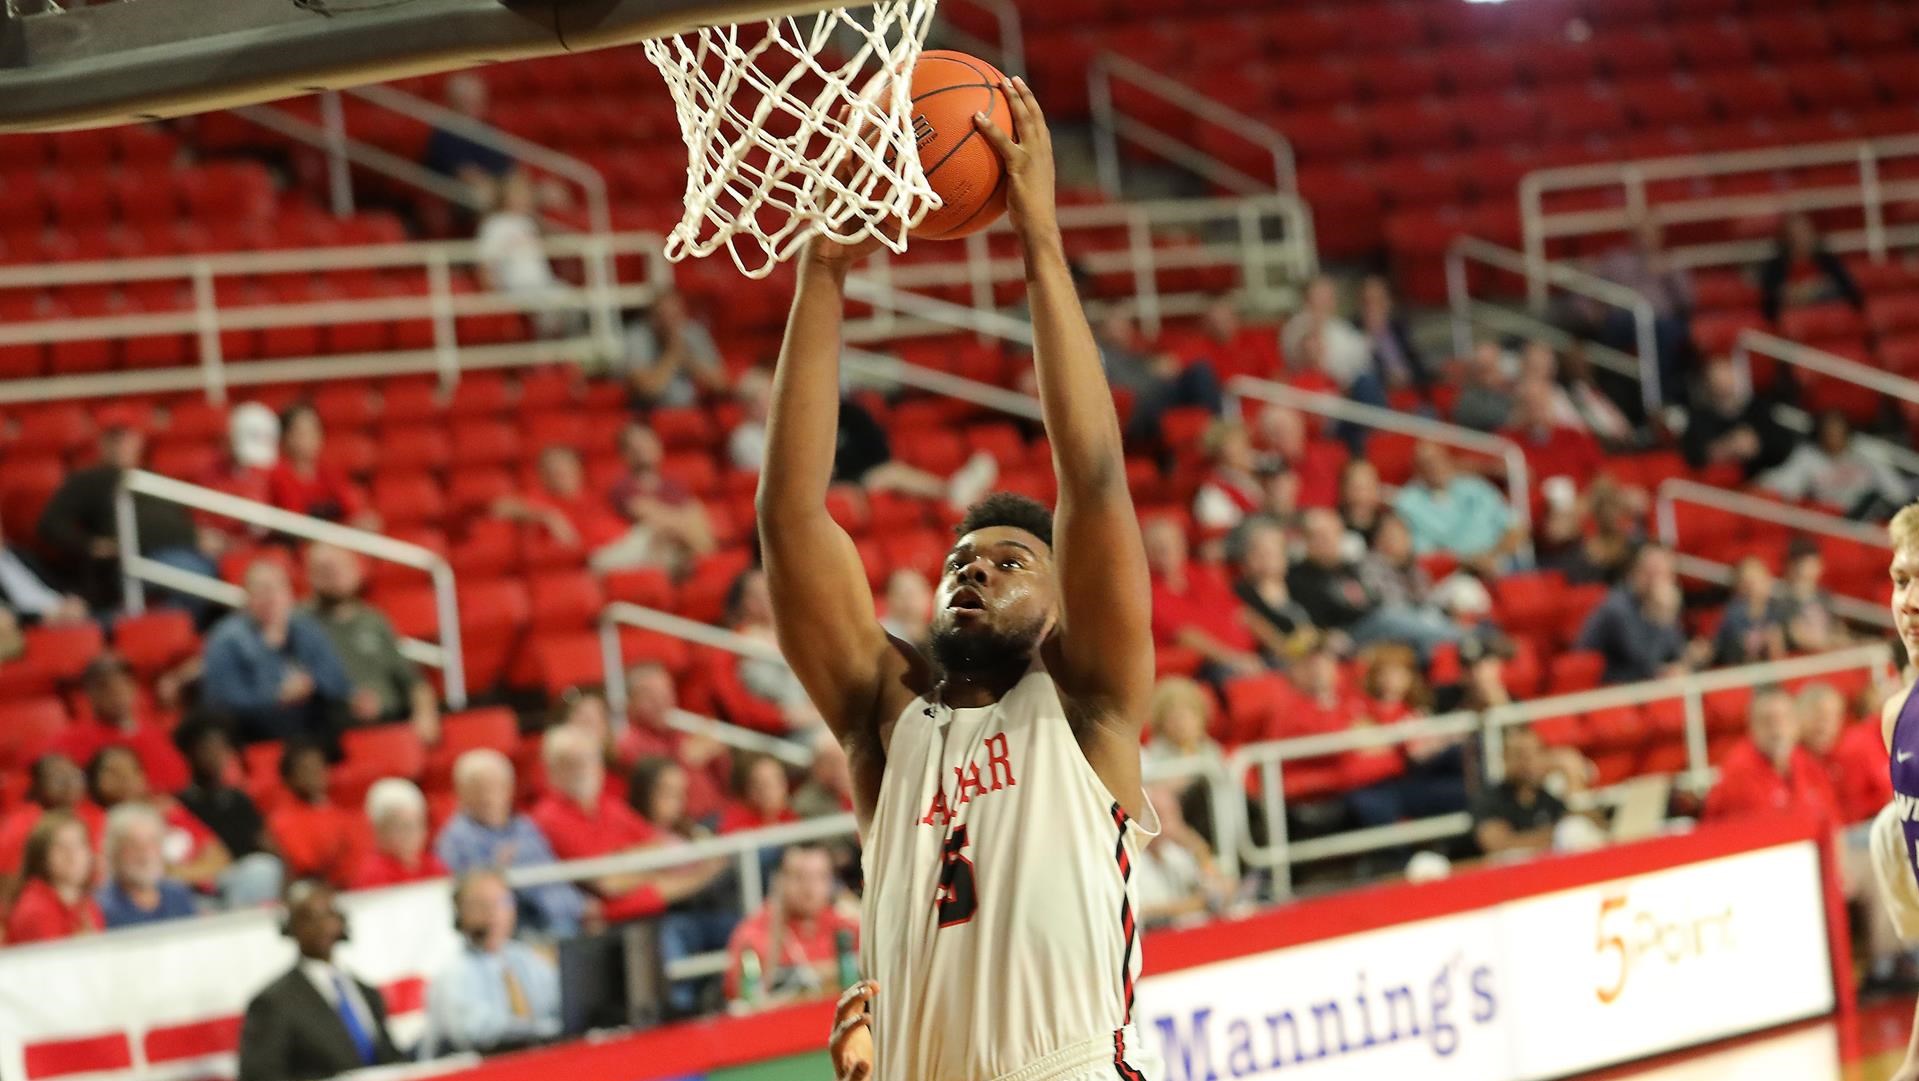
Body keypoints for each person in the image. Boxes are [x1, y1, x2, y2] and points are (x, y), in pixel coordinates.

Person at [765, 80, 1160, 1081]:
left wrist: (1038, 244)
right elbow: (790, 518)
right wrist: (822, 269)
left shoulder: (1085, 703)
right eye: (958, 561)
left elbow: (1094, 474)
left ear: (1063, 600)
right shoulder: (884, 721)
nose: (972, 570)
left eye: (1009, 561)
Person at [531, 724, 723, 922]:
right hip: (608, 918)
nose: (584, 768)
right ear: (552, 769)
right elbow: (608, 884)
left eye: (590, 759)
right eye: (572, 763)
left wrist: (623, 861)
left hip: (659, 905)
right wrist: (638, 861)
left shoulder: (610, 805)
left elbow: (661, 846)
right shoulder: (548, 817)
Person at [236, 879, 403, 1081]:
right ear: (290, 927)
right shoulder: (273, 1002)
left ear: (341, 921)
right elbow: (259, 1076)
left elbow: (391, 1060)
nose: (322, 925)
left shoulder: (366, 991)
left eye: (328, 915)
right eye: (309, 918)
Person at [36, 420, 211, 610]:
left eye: (127, 438)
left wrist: (196, 536)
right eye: (114, 439)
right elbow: (50, 524)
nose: (121, 445)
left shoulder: (153, 477)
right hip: (133, 559)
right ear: (102, 444)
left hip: (184, 550)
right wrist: (90, 545)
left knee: (215, 573)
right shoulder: (88, 480)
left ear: (139, 441)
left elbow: (177, 519)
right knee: (196, 575)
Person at [434, 748, 586, 937]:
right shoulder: (454, 840)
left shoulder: (525, 827)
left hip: (560, 922)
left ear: (509, 788)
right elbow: (462, 902)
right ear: (461, 793)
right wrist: (495, 872)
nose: (487, 795)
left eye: (495, 786)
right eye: (477, 787)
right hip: (510, 933)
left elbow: (553, 876)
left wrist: (580, 905)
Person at [203, 559, 353, 746]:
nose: (270, 598)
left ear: (289, 595)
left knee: (342, 712)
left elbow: (339, 679)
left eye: (275, 589)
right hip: (256, 727)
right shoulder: (226, 639)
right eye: (260, 591)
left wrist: (312, 684)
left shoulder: (307, 628)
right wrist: (277, 697)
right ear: (247, 598)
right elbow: (224, 700)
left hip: (309, 722)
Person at [303, 543, 440, 742]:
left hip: (391, 721)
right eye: (324, 569)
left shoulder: (373, 619)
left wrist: (425, 714)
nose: (334, 575)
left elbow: (413, 681)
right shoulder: (299, 623)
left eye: (339, 567)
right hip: (334, 727)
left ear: (356, 571)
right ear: (310, 575)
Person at [424, 869, 563, 1055]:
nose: (492, 913)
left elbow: (559, 1002)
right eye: (480, 905)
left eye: (502, 902)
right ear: (460, 913)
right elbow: (476, 1032)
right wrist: (543, 1029)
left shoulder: (524, 957)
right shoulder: (454, 971)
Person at [87, 744, 232, 893]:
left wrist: (181, 875)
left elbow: (220, 856)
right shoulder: (93, 821)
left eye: (131, 769)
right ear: (95, 781)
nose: (124, 777)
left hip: (200, 887)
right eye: (112, 771)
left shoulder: (167, 810)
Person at [724, 843, 859, 1002]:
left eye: (820, 877)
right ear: (779, 880)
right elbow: (744, 996)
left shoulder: (845, 923)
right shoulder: (753, 933)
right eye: (799, 877)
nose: (810, 888)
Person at [173, 718, 282, 905]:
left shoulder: (239, 799)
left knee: (263, 867)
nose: (215, 755)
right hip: (203, 881)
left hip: (243, 877)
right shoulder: (180, 803)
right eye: (207, 749)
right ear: (190, 754)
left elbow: (265, 842)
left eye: (221, 749)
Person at [1144, 516, 1266, 681]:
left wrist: (1283, 647)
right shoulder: (1149, 593)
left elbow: (1243, 615)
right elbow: (1187, 637)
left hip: (1250, 657)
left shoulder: (1202, 574)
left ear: (1183, 545)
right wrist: (1236, 660)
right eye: (1156, 545)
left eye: (1171, 542)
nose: (1165, 549)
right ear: (1145, 552)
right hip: (1211, 667)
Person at [55, 653, 190, 796]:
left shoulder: (154, 731)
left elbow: (180, 779)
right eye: (105, 686)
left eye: (123, 682)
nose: (117, 691)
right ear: (89, 694)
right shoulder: (71, 742)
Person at [1705, 687, 1838, 825]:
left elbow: (1833, 823)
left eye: (1784, 719)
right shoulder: (1738, 772)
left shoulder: (1808, 764)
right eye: (1768, 721)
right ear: (1752, 726)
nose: (1777, 729)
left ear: (1796, 723)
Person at [1574, 544, 1705, 684]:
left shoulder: (1652, 604)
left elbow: (1674, 653)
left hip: (1638, 687)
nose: (1667, 583)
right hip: (1607, 692)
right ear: (1640, 573)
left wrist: (1687, 659)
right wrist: (1665, 614)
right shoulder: (1616, 608)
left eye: (1669, 575)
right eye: (1659, 574)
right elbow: (1644, 662)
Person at [617, 661, 730, 822]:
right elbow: (654, 793)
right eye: (650, 696)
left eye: (666, 693)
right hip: (683, 825)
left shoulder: (683, 730)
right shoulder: (629, 743)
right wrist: (686, 758)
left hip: (720, 814)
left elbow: (725, 781)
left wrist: (720, 754)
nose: (661, 703)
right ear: (631, 702)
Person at [1095, 308, 1224, 443]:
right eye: (1117, 328)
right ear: (1104, 331)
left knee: (1199, 370)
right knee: (1197, 374)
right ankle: (1219, 430)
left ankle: (1219, 427)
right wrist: (1155, 374)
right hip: (1140, 406)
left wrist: (1160, 366)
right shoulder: (1104, 356)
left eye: (1125, 326)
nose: (1124, 332)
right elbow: (1127, 385)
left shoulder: (1133, 349)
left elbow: (1148, 366)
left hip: (1156, 394)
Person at [605, 422, 717, 577]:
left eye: (646, 442)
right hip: (652, 556)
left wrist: (684, 525)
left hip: (684, 548)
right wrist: (687, 525)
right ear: (625, 454)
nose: (642, 449)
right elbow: (651, 518)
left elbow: (698, 515)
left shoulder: (675, 484)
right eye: (634, 446)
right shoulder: (623, 487)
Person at [476, 171, 579, 338]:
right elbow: (485, 264)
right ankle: (545, 357)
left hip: (542, 284)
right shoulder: (495, 224)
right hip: (514, 287)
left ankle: (567, 357)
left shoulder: (529, 223)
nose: (525, 198)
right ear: (505, 196)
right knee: (545, 314)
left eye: (526, 193)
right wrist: (493, 294)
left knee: (576, 303)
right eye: (519, 194)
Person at [1392, 441, 1522, 569]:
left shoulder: (1475, 486)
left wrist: (1493, 556)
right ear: (1417, 470)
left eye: (1438, 460)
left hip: (1500, 560)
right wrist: (1469, 562)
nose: (1435, 467)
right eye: (1427, 464)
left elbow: (1515, 527)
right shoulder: (1408, 503)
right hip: (1456, 572)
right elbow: (1424, 554)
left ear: (1449, 460)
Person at [1762, 409, 1910, 521]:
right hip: (1828, 518)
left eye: (1838, 432)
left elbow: (1897, 492)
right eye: (1828, 433)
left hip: (1865, 517)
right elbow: (1784, 485)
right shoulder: (1808, 456)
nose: (1834, 438)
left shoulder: (1867, 451)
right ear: (1820, 434)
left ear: (1847, 432)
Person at [266, 740, 369, 888]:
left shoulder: (344, 814)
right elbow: (307, 867)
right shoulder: (283, 820)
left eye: (320, 766)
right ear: (289, 779)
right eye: (306, 769)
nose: (316, 773)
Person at [1680, 357, 1796, 480]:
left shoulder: (1758, 407)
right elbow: (1692, 454)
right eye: (1716, 378)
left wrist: (1757, 444)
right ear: (1707, 383)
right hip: (1716, 482)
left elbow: (1783, 444)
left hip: (1759, 479)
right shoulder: (1699, 417)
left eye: (1726, 374)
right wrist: (1725, 447)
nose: (1722, 383)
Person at [268, 403, 376, 528]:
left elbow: (354, 510)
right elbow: (298, 527)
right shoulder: (280, 475)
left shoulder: (328, 472)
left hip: (334, 541)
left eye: (315, 429)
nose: (311, 437)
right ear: (287, 437)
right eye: (303, 432)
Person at [0, 754, 100, 888]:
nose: (69, 784)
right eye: (58, 779)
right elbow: (7, 879)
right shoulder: (19, 823)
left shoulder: (94, 814)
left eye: (76, 776)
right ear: (37, 785)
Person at [96, 802, 199, 928]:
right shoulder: (101, 908)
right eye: (133, 845)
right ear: (114, 852)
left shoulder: (178, 895)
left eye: (152, 842)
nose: (145, 854)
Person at [620, 289, 729, 408]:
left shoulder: (694, 332)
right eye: (663, 316)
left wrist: (688, 361)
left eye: (675, 316)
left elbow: (721, 385)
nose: (669, 323)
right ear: (651, 317)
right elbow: (648, 389)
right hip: (651, 413)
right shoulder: (638, 336)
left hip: (694, 410)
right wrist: (672, 355)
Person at [5, 811, 102, 943]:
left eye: (79, 845)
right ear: (41, 857)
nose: (72, 856)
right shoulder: (35, 911)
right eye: (60, 847)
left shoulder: (87, 905)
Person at [1471, 726, 1568, 858]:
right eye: (1520, 755)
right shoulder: (1489, 798)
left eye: (1536, 753)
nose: (1530, 762)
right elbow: (1497, 845)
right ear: (1505, 758)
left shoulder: (1550, 795)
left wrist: (1574, 783)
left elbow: (1585, 830)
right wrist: (1554, 835)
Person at [1231, 517, 1314, 663]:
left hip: (1313, 656)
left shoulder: (1300, 584)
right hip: (1278, 662)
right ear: (1245, 559)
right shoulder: (1241, 595)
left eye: (1275, 551)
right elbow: (1276, 644)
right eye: (1260, 552)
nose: (1268, 558)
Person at [1760, 212, 1864, 326]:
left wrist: (1815, 291)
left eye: (1805, 231)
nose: (1802, 237)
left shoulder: (1828, 260)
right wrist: (1792, 295)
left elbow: (1852, 294)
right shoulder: (1776, 266)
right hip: (1793, 326)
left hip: (1829, 322)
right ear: (1787, 238)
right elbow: (1769, 304)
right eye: (1796, 234)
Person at [424, 72, 515, 186]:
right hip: (461, 191)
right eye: (469, 101)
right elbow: (465, 174)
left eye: (480, 100)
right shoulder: (445, 135)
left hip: (498, 185)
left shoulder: (488, 127)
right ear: (454, 103)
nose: (478, 106)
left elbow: (509, 166)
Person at [354, 778, 447, 889]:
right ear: (381, 831)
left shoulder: (433, 865)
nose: (412, 834)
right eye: (403, 827)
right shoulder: (373, 874)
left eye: (418, 824)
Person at [0, 509, 87, 625]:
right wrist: (40, 616)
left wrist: (70, 598)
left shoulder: (20, 554)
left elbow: (53, 581)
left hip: (63, 607)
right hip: (35, 620)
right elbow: (7, 614)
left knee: (111, 619)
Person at [1358, 274, 1430, 396]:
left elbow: (1417, 363)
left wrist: (1409, 375)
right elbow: (1361, 373)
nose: (1372, 307)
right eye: (1367, 302)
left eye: (1378, 301)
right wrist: (1369, 334)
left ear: (1388, 302)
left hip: (1411, 389)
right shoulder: (1354, 331)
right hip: (1382, 394)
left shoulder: (1399, 328)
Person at [1192, 422, 1266, 534]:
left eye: (1245, 444)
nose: (1246, 451)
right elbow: (1224, 532)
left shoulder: (1262, 472)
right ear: (1220, 453)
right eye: (1237, 446)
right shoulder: (1212, 493)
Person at [1450, 342, 1516, 432]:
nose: (1486, 375)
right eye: (1482, 368)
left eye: (1490, 368)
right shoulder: (1468, 394)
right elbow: (1465, 413)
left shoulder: (1511, 388)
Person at [728, 366, 774, 471]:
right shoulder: (744, 438)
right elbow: (769, 474)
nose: (773, 404)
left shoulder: (770, 431)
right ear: (751, 405)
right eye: (767, 399)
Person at [878, 567, 933, 649]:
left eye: (914, 593)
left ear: (929, 595)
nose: (908, 599)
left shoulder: (937, 634)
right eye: (901, 594)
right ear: (889, 598)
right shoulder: (880, 634)